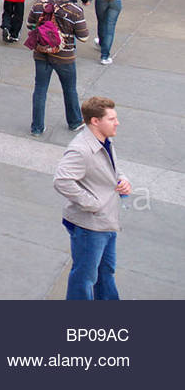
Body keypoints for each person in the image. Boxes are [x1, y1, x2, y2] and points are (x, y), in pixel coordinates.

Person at [53, 97, 131, 300]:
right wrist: (93, 203)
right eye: (112, 118)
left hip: (106, 221)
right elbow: (62, 180)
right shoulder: (81, 150)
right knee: (84, 277)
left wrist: (121, 179)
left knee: (106, 272)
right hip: (91, 226)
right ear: (95, 121)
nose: (117, 123)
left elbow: (110, 168)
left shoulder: (104, 140)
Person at [27, 0, 90, 136]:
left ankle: (37, 127)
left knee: (40, 89)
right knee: (69, 89)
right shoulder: (75, 10)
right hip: (65, 56)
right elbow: (83, 37)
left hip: (41, 53)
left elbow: (29, 25)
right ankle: (75, 121)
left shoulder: (39, 3)